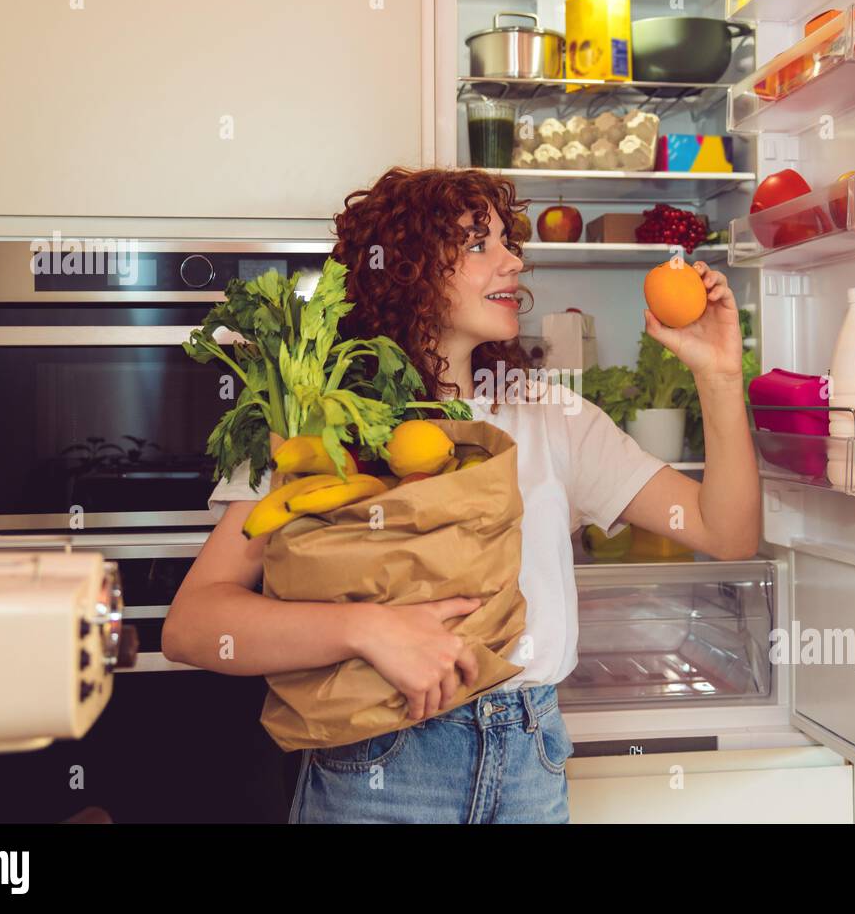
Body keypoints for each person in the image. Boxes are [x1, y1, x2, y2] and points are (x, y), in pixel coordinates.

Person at [162, 167, 760, 823]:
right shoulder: (316, 423)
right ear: (405, 267)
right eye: (478, 243)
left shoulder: (548, 416)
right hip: (382, 762)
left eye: (508, 241)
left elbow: (724, 531)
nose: (512, 260)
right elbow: (195, 625)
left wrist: (719, 374)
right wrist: (368, 629)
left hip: (531, 759)